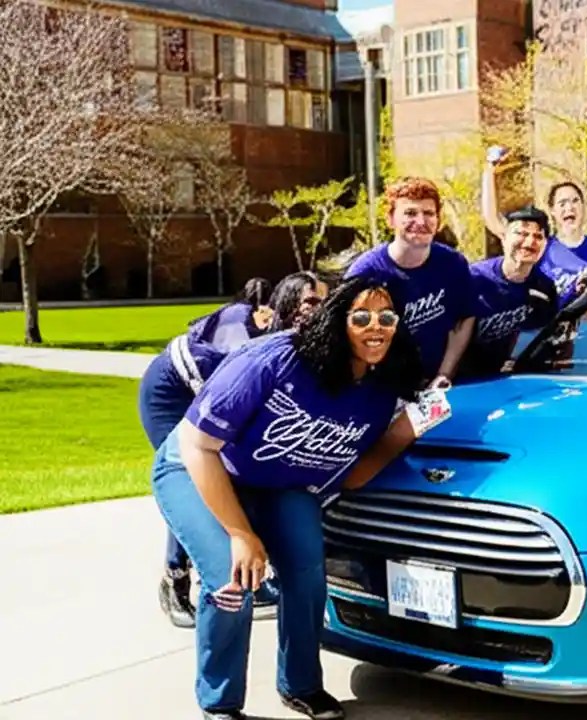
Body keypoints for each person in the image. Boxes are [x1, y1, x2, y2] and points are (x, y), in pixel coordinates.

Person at [150, 277, 437, 720]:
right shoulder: (275, 358)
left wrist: (402, 432)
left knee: (307, 573)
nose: (374, 327)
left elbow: (353, 475)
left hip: (279, 481)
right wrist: (240, 533)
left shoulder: (380, 388)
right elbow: (196, 446)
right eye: (361, 317)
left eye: (386, 317)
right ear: (336, 320)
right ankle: (220, 703)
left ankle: (300, 684)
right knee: (231, 581)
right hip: (197, 468)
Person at [140, 276, 323, 628]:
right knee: (194, 485)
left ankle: (251, 576)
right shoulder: (247, 339)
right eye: (309, 302)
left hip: (201, 394)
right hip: (169, 394)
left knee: (237, 479)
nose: (318, 311)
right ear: (280, 307)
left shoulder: (286, 339)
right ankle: (173, 580)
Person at [344, 177, 477, 389]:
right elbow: (349, 332)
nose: (421, 222)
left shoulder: (453, 264)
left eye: (429, 213)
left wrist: (445, 374)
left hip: (438, 381)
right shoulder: (366, 271)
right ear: (390, 219)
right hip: (382, 386)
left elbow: (463, 320)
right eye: (410, 213)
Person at [481, 147, 587, 306]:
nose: (569, 208)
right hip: (551, 327)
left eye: (575, 201)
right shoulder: (539, 245)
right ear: (552, 210)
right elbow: (492, 219)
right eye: (562, 203)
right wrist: (489, 171)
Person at [460, 205, 560, 380]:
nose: (529, 242)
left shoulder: (545, 288)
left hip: (514, 382)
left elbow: (546, 339)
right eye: (521, 233)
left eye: (538, 236)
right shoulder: (473, 278)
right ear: (504, 237)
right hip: (465, 381)